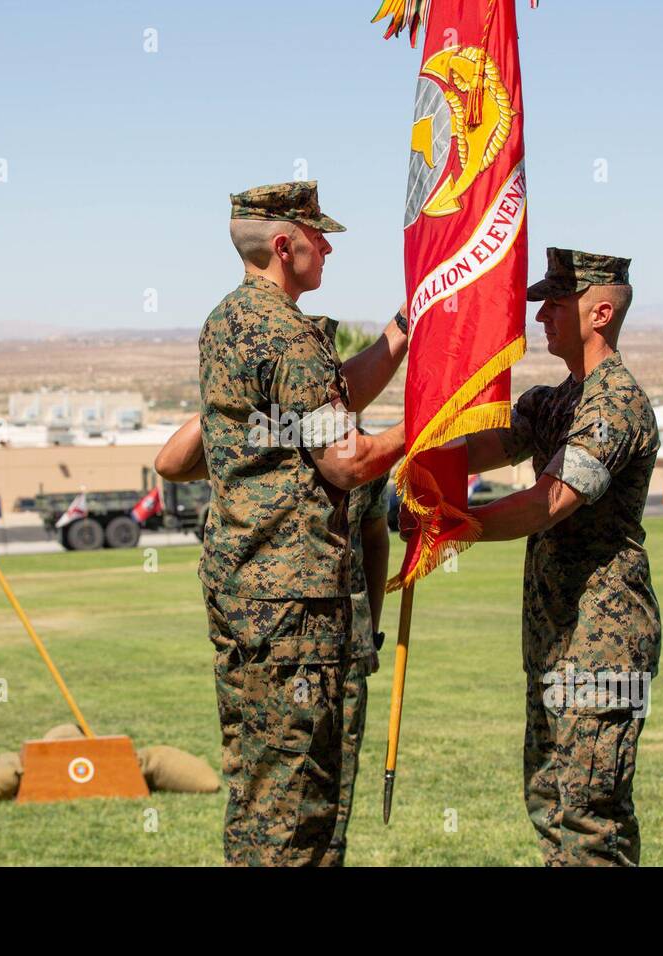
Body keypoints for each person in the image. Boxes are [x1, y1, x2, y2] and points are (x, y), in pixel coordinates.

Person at [189, 179, 407, 865]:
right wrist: (434, 425)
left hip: (247, 591)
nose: (330, 248)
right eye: (320, 237)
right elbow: (346, 461)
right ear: (286, 245)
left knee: (259, 789)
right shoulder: (288, 336)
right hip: (297, 602)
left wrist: (404, 335)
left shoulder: (228, 321)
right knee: (300, 805)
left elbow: (321, 400)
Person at [463, 247, 661, 866]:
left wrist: (454, 526)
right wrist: (408, 462)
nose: (541, 313)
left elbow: (549, 502)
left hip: (602, 643)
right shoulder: (553, 402)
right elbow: (476, 447)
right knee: (551, 806)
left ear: (600, 312)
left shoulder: (615, 403)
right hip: (554, 639)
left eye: (556, 301)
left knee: (589, 819)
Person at [156, 419, 390, 866]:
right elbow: (170, 463)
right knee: (258, 790)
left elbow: (375, 536)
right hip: (261, 644)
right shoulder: (255, 433)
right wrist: (230, 394)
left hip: (341, 649)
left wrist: (369, 633)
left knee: (329, 800)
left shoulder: (358, 447)